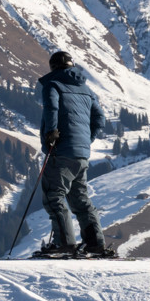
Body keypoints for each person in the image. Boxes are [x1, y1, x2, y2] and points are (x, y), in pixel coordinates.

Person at [36, 52, 109, 259]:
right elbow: (100, 118)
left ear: (53, 67)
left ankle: (64, 244)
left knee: (53, 196)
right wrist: (87, 140)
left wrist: (52, 134)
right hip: (82, 154)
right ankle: (95, 244)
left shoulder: (53, 85)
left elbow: (52, 108)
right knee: (80, 199)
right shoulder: (85, 89)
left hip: (60, 152)